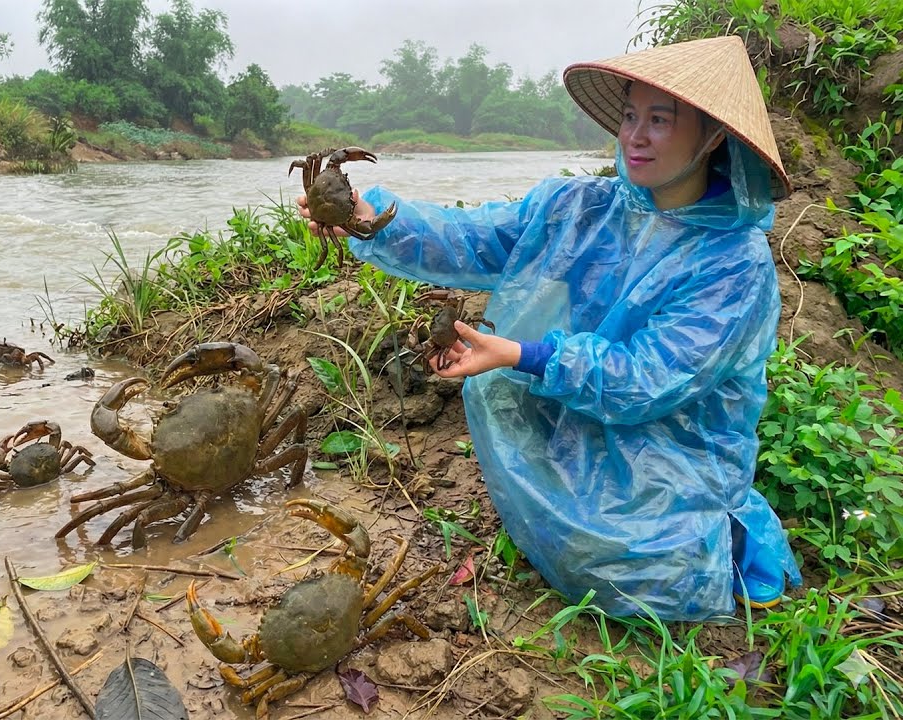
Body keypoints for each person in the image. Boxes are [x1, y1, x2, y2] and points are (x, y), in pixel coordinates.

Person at [298, 35, 801, 621]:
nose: (635, 135)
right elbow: (473, 236)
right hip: (580, 412)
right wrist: (369, 217)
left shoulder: (733, 262)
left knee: (649, 571)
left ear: (714, 136)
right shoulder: (579, 207)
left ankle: (718, 544)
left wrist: (520, 353)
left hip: (672, 447)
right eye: (630, 115)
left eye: (659, 120)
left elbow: (649, 379)